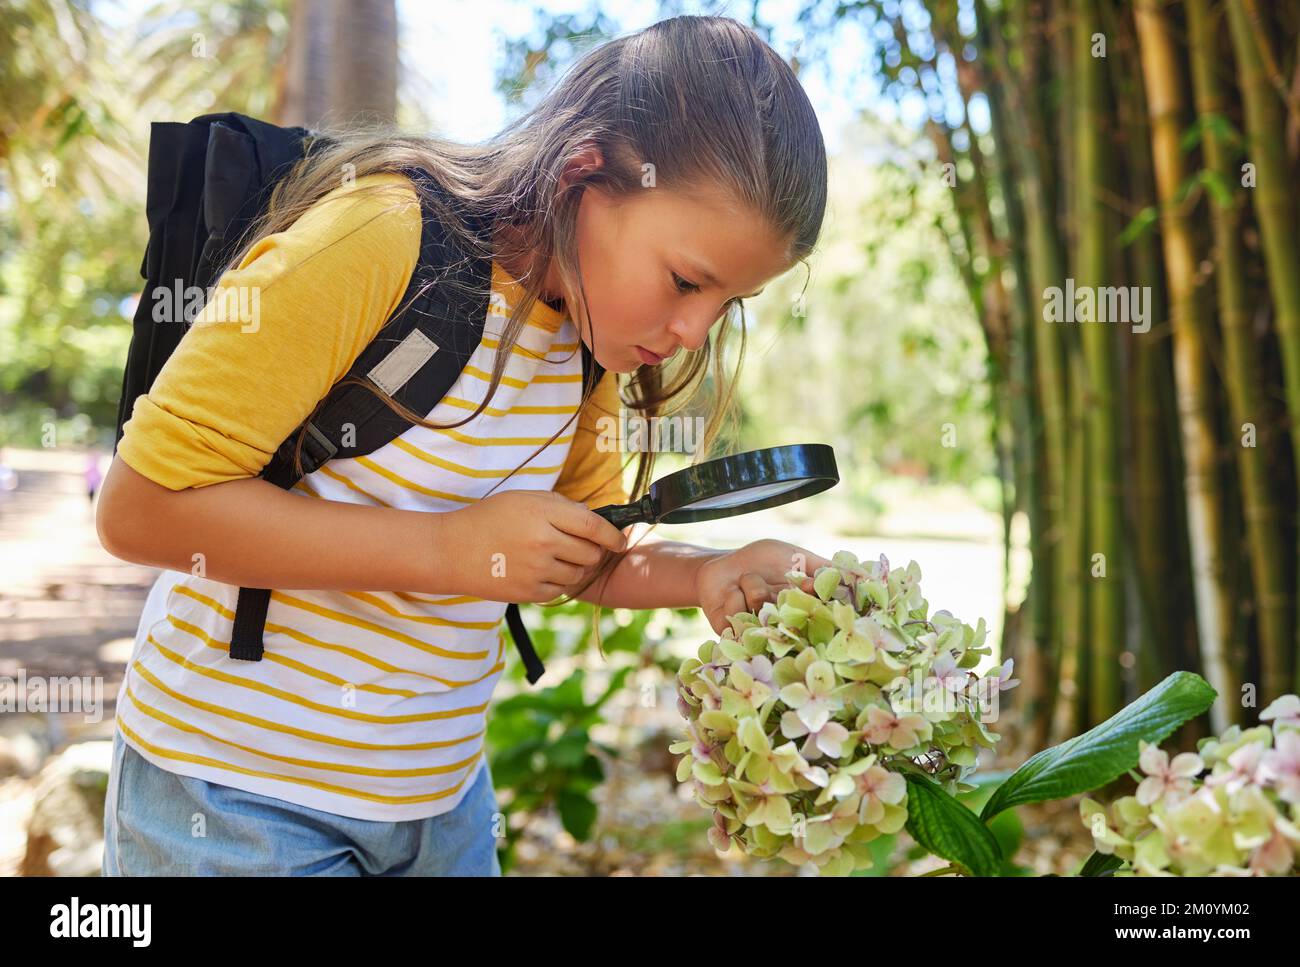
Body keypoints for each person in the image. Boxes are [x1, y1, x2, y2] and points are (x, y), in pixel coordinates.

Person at [95, 14, 831, 876]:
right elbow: (142, 511)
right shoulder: (381, 238)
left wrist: (707, 570)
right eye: (684, 281)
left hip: (439, 810)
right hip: (235, 801)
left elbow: (586, 549)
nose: (691, 333)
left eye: (726, 305)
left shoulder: (586, 340)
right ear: (581, 172)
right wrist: (451, 550)